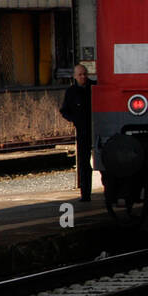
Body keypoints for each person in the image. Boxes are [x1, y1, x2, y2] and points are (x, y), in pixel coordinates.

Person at [60, 63, 95, 202]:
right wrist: (75, 119)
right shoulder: (71, 92)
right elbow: (64, 111)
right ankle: (85, 194)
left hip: (97, 128)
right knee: (84, 163)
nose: (83, 77)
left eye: (85, 74)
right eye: (80, 75)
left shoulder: (94, 87)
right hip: (83, 130)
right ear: (75, 76)